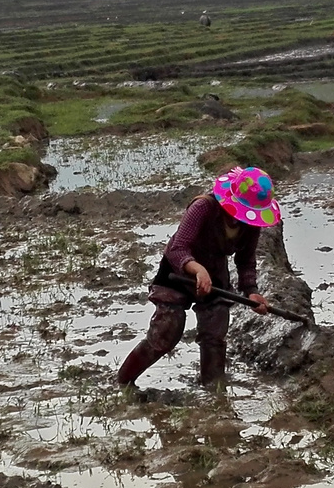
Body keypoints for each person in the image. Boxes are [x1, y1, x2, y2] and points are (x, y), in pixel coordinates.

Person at [118, 165, 280, 393]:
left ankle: (214, 393)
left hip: (215, 273)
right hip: (178, 271)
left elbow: (245, 261)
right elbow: (177, 248)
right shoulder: (203, 207)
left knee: (215, 333)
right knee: (166, 331)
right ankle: (123, 382)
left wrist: (251, 290)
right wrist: (196, 269)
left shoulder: (250, 223)